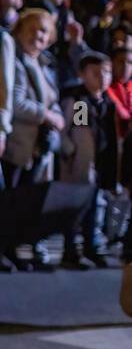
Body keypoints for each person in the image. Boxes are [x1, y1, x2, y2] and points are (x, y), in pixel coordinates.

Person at [2, 9, 65, 271]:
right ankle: (6, 247)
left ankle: (22, 246)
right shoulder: (16, 62)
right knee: (12, 201)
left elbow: (53, 99)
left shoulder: (45, 65)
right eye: (33, 29)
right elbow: (16, 103)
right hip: (19, 143)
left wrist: (57, 115)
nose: (38, 35)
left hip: (39, 147)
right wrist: (47, 115)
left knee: (29, 202)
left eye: (43, 30)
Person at [59, 52, 116, 270]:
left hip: (100, 164)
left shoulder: (107, 102)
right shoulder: (80, 101)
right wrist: (71, 152)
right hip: (80, 164)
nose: (102, 78)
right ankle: (71, 251)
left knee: (96, 208)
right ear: (82, 74)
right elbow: (77, 132)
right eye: (96, 73)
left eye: (106, 72)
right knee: (76, 209)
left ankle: (92, 247)